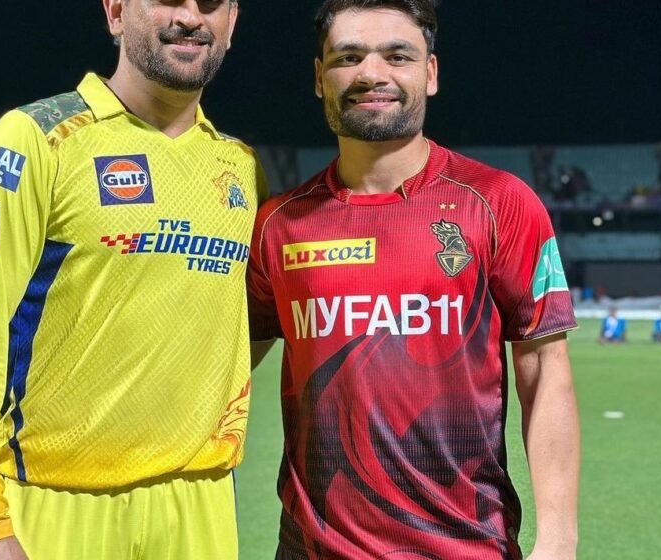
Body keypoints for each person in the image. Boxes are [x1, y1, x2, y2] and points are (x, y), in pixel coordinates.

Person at [247, 1, 580, 558]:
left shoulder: (500, 202)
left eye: (396, 55)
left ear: (429, 72)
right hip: (311, 547)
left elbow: (544, 366)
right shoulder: (279, 224)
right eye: (347, 57)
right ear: (318, 78)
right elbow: (230, 356)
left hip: (466, 545)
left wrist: (559, 541)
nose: (371, 74)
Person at [0, 1, 266, 559]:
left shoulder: (239, 166)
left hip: (202, 507)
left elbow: (231, 329)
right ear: (115, 12)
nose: (191, 16)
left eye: (210, 3)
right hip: (58, 503)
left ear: (232, 22)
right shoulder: (37, 139)